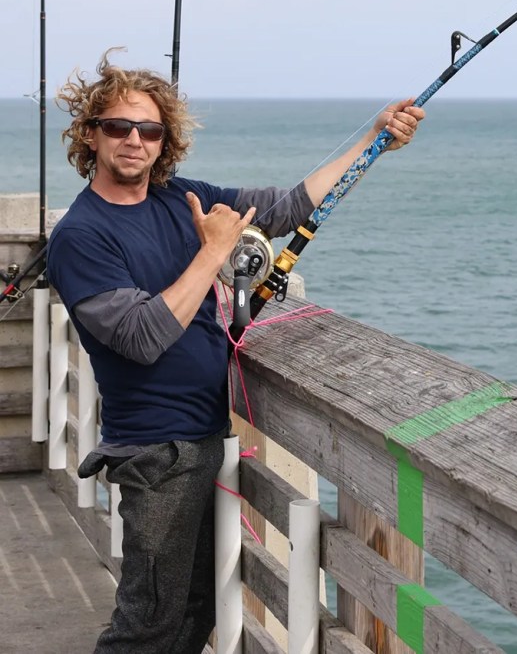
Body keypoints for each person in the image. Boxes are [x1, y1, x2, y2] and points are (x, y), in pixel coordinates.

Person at [47, 51, 425, 652]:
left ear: (164, 141)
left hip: (203, 439)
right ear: (91, 135)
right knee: (147, 622)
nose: (134, 140)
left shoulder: (182, 198)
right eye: (118, 126)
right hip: (155, 453)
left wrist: (372, 142)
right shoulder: (80, 235)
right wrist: (212, 251)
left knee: (196, 610)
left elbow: (288, 208)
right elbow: (142, 338)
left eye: (150, 130)